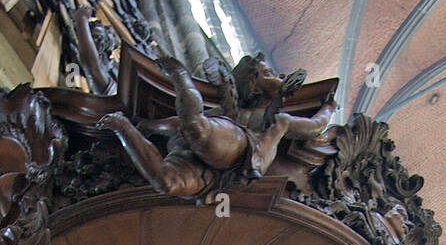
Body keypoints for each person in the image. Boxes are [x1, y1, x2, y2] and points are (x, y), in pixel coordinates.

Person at [97, 52, 336, 201]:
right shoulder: (232, 113)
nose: (278, 76)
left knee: (167, 183)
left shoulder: (280, 120)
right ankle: (179, 76)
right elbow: (176, 123)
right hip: (220, 147)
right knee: (195, 128)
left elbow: (315, 126)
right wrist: (151, 125)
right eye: (269, 73)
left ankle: (123, 127)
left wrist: (330, 108)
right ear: (251, 83)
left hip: (242, 162)